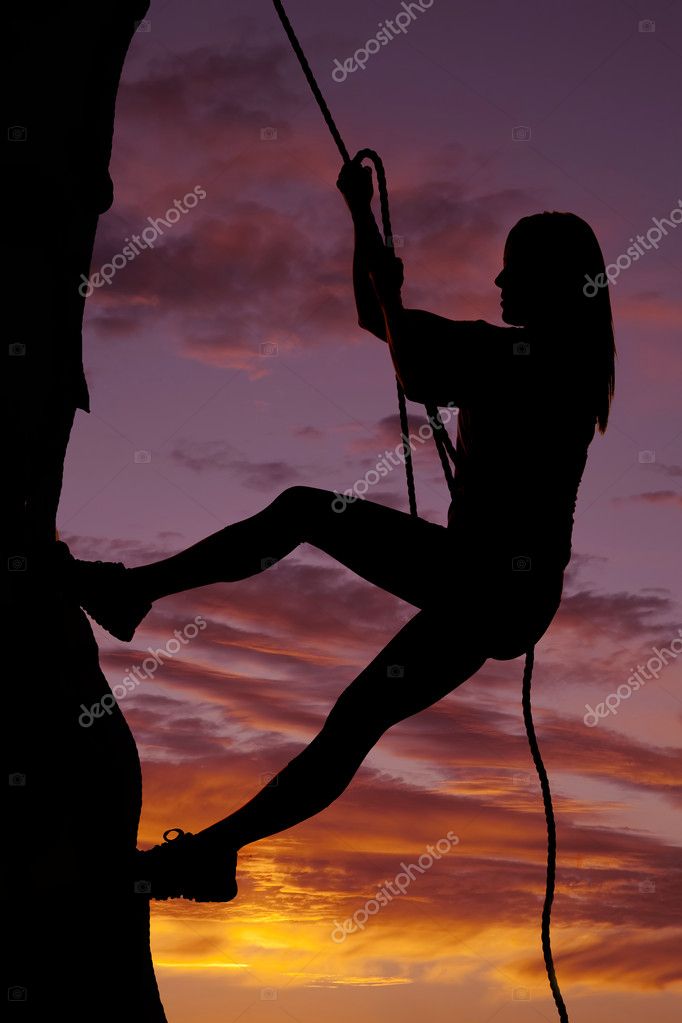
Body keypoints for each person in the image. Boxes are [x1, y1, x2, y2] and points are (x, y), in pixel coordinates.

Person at [69, 158, 616, 901]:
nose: (498, 279)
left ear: (551, 281)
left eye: (513, 267)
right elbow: (380, 322)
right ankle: (214, 853)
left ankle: (136, 591)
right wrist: (361, 220)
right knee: (357, 718)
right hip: (503, 593)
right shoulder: (546, 358)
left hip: (484, 576)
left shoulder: (534, 359)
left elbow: (412, 366)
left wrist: (383, 272)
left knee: (303, 510)